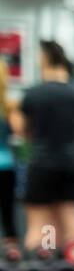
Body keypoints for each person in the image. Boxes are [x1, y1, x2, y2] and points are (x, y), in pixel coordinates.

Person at [8, 41, 74, 252]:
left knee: (40, 225)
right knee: (70, 222)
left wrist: (12, 111)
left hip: (42, 164)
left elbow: (21, 131)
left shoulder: (34, 93)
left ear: (45, 58)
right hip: (70, 164)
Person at [0, 64, 19, 247]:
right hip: (6, 166)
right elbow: (19, 130)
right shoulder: (9, 105)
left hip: (6, 166)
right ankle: (12, 256)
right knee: (8, 216)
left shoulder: (9, 105)